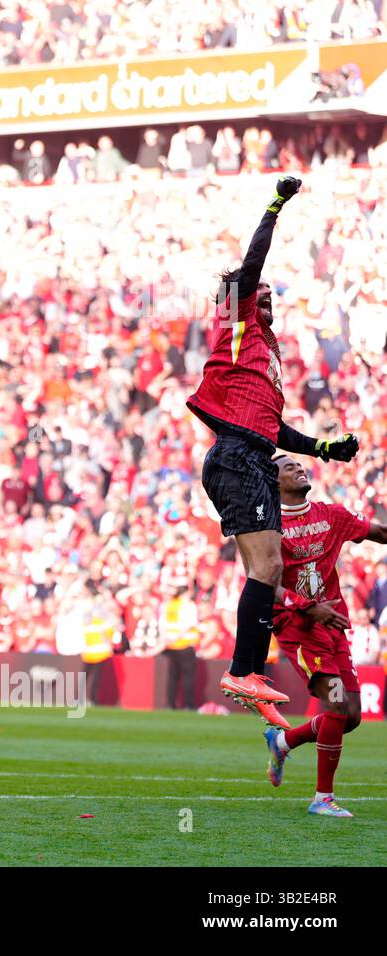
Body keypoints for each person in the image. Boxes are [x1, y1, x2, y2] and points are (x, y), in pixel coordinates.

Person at [185, 176, 361, 729]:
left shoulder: (265, 358)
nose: (267, 296)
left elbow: (273, 429)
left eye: (268, 293)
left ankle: (248, 673)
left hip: (251, 455)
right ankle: (243, 670)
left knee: (270, 566)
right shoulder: (235, 321)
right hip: (237, 457)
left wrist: (324, 448)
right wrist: (275, 206)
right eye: (259, 290)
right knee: (266, 566)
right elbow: (253, 262)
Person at [263, 456, 387, 817]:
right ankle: (322, 799)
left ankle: (283, 742)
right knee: (334, 704)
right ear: (275, 481)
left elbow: (378, 533)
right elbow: (264, 582)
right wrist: (304, 606)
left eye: (300, 466)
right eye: (288, 467)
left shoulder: (331, 515)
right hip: (297, 628)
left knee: (350, 717)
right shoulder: (268, 527)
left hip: (332, 624)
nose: (299, 469)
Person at [160, 587, 200, 710]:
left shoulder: (168, 605)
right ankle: (189, 704)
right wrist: (177, 637)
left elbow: (162, 624)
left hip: (171, 646)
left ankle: (170, 704)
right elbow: (190, 624)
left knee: (172, 677)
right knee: (188, 677)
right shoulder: (189, 605)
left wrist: (167, 639)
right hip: (185, 644)